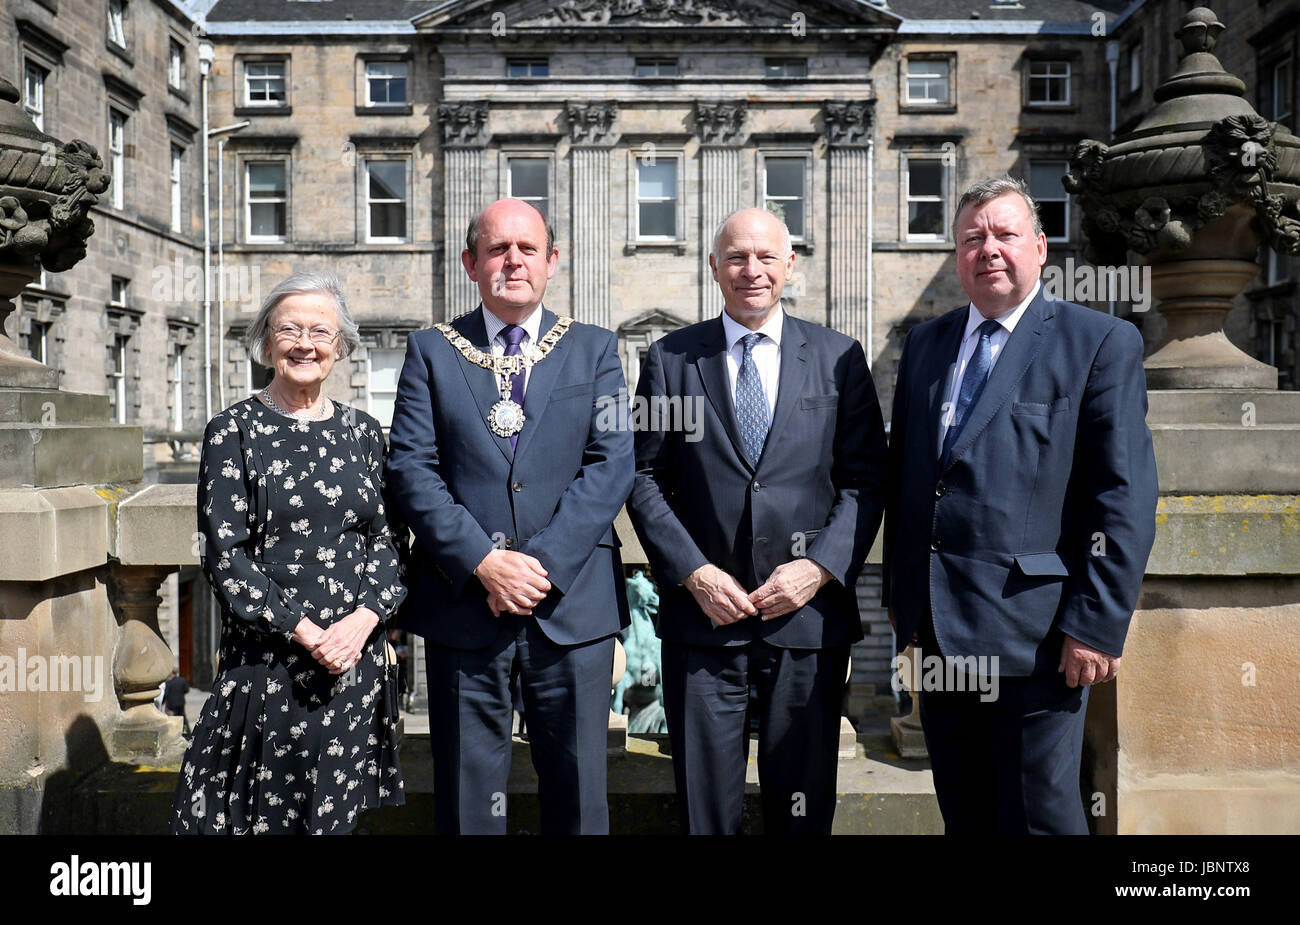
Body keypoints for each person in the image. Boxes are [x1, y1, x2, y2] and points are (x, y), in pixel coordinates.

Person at [882, 176, 1158, 834]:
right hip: (940, 636)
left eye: (1006, 234)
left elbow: (1123, 493)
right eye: (973, 238)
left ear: (1038, 246)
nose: (990, 249)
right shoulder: (925, 344)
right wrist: (902, 602)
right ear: (957, 255)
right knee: (967, 814)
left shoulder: (1098, 342)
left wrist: (1095, 623)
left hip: (1035, 635)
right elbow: (908, 478)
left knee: (1041, 818)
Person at [626, 208, 888, 834]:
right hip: (704, 620)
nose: (752, 271)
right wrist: (693, 573)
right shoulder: (670, 360)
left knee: (802, 803)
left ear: (790, 264)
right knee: (704, 809)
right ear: (714, 267)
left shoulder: (839, 358)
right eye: (737, 258)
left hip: (806, 618)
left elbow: (866, 479)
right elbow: (642, 476)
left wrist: (819, 567)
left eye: (767, 257)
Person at [386, 198, 633, 835]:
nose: (513, 261)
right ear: (472, 263)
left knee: (580, 798)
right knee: (468, 800)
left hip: (571, 608)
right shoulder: (431, 352)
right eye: (498, 249)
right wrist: (485, 563)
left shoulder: (596, 350)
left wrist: (536, 569)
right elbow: (412, 468)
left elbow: (611, 467)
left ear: (553, 261)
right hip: (463, 607)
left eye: (528, 249)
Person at [171, 272, 407, 835]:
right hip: (269, 666)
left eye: (320, 331)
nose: (306, 344)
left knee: (334, 819)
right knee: (259, 821)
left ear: (342, 346)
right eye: (290, 330)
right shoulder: (233, 430)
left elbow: (391, 540)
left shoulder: (365, 432)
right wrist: (307, 632)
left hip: (354, 664)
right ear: (266, 342)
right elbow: (224, 554)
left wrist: (362, 622)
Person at [161, 668, 190, 736]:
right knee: (183, 718)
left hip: (172, 704)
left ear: (171, 674)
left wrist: (163, 702)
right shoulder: (182, 680)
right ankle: (185, 732)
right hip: (181, 702)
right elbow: (186, 690)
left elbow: (166, 694)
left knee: (174, 718)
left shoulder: (168, 683)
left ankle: (176, 732)